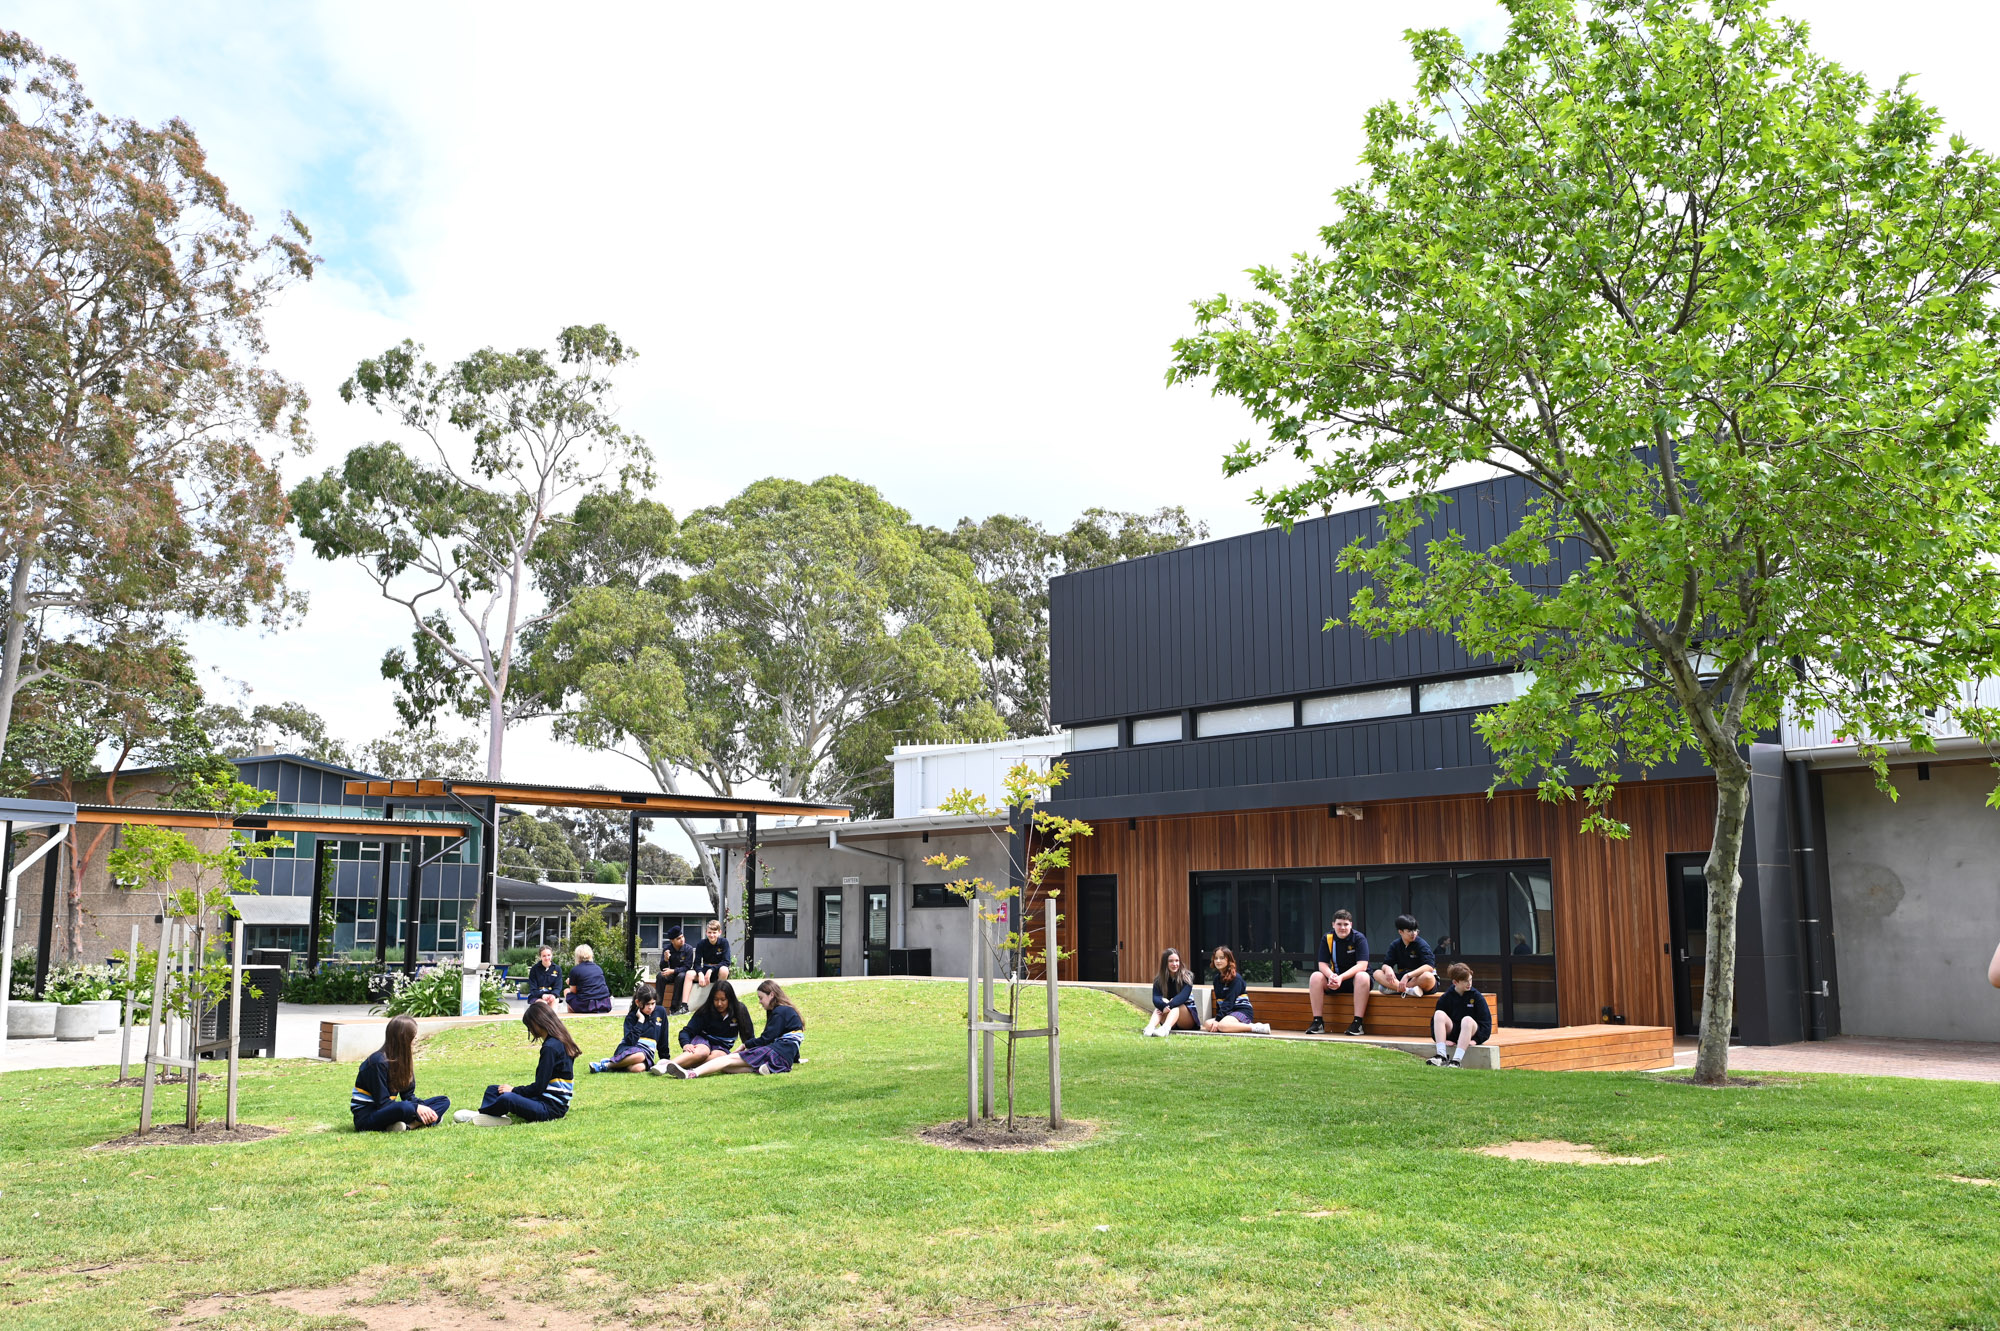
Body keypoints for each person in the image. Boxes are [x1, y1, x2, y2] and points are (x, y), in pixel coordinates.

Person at [456, 1002, 579, 1125]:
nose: (530, 1030)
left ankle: (483, 1115)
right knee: (494, 1089)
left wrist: (513, 1090)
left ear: (538, 1023)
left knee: (507, 1098)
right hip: (543, 1099)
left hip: (550, 1108)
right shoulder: (559, 1041)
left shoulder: (550, 1048)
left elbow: (538, 1088)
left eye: (529, 1026)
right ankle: (491, 1116)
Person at [677, 980, 805, 1077]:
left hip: (774, 1052)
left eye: (761, 998)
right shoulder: (785, 1011)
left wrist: (746, 1046)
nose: (760, 1002)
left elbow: (765, 1038)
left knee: (725, 1060)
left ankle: (691, 1072)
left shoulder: (779, 1012)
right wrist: (795, 1059)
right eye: (716, 1000)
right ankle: (671, 1065)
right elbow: (791, 1040)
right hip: (783, 1059)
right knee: (717, 1060)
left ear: (771, 995)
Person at [349, 1014, 449, 1131]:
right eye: (413, 1037)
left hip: (389, 1111)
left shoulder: (403, 1062)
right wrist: (415, 1108)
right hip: (367, 1116)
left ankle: (410, 1125)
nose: (415, 1041)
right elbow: (383, 1103)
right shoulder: (377, 1063)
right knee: (405, 1108)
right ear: (404, 1039)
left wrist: (422, 1107)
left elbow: (408, 1096)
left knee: (443, 1101)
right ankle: (424, 1121)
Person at [655, 978, 756, 1076]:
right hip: (703, 1041)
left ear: (730, 999)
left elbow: (748, 1035)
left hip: (722, 1046)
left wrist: (753, 1052)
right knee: (702, 1052)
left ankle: (681, 1067)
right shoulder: (705, 1011)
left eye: (723, 1000)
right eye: (716, 999)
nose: (719, 1004)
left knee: (720, 1057)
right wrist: (686, 1044)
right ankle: (665, 1066)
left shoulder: (739, 1010)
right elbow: (686, 1031)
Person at [1305, 909, 1370, 1036]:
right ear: (1333, 925)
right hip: (1335, 980)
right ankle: (1318, 1022)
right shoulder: (1327, 938)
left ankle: (1358, 1023)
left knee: (1362, 976)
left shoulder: (1359, 938)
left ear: (1351, 925)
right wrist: (1332, 976)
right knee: (1315, 976)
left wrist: (1341, 978)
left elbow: (1362, 965)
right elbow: (1322, 965)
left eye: (1346, 924)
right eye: (1339, 924)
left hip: (1355, 982)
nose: (1342, 927)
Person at [1428, 962, 1493, 1067]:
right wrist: (1443, 1040)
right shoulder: (1446, 997)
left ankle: (1456, 1061)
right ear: (1455, 982)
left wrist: (1477, 1040)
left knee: (1467, 1020)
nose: (1469, 983)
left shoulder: (1477, 997)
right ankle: (1441, 1055)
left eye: (1470, 980)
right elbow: (1434, 1023)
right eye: (1465, 981)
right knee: (1439, 1014)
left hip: (1470, 1031)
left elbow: (1486, 1023)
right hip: (1453, 1031)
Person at [591, 984, 665, 1074]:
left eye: (653, 1003)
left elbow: (663, 1037)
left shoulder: (661, 1012)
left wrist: (665, 1060)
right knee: (640, 1056)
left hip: (647, 1052)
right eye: (647, 1004)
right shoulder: (631, 1017)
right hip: (629, 1048)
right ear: (638, 1002)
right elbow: (630, 1041)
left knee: (638, 1068)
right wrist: (640, 1021)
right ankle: (606, 1066)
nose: (650, 1007)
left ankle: (614, 1063)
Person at [1201, 947, 1267, 1034]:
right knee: (1208, 1024)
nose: (1218, 961)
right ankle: (1232, 1026)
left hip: (1241, 1011)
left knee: (1222, 1025)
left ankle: (1256, 1027)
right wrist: (1217, 1019)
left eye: (1222, 958)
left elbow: (1229, 1001)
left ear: (1229, 960)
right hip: (1228, 1013)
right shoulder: (1217, 979)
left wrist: (1218, 1020)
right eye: (1216, 958)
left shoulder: (1236, 978)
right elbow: (1219, 1002)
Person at [1373, 914, 1438, 997]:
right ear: (1400, 932)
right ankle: (1408, 991)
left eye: (1415, 930)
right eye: (1409, 931)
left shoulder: (1422, 944)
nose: (1413, 933)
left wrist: (1408, 976)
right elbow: (1386, 964)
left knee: (1428, 977)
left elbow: (1429, 966)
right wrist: (1387, 968)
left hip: (1418, 979)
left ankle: (1396, 989)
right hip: (1403, 980)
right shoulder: (1395, 945)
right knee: (1377, 973)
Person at [1143, 948, 1198, 1036]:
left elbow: (1183, 997)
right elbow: (1155, 998)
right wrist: (1163, 1006)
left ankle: (1165, 1029)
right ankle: (1150, 1027)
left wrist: (1168, 1006)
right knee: (1162, 1002)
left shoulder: (1187, 977)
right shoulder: (1159, 980)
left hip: (1186, 1019)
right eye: (1171, 961)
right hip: (1170, 1017)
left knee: (1176, 1006)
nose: (1174, 964)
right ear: (1165, 963)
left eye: (1177, 961)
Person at [680, 919, 732, 1010]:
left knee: (724, 969)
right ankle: (684, 1006)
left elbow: (726, 961)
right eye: (709, 932)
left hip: (718, 971)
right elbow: (696, 963)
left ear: (719, 932)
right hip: (705, 970)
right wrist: (700, 973)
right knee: (689, 974)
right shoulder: (701, 944)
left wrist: (711, 970)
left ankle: (718, 1001)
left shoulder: (724, 942)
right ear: (706, 932)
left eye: (714, 932)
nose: (712, 935)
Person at [563, 943, 612, 1015]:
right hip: (604, 1004)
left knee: (567, 991)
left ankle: (572, 1015)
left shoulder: (575, 970)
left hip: (587, 1006)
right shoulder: (598, 968)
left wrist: (570, 983)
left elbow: (573, 992)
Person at [658, 926, 696, 1015]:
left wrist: (673, 971)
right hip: (671, 974)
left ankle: (674, 1008)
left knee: (681, 976)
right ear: (672, 941)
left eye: (682, 937)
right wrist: (665, 960)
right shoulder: (667, 949)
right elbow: (663, 968)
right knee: (660, 976)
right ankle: (658, 1006)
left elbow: (687, 967)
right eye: (678, 938)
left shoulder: (688, 949)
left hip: (681, 974)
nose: (682, 940)